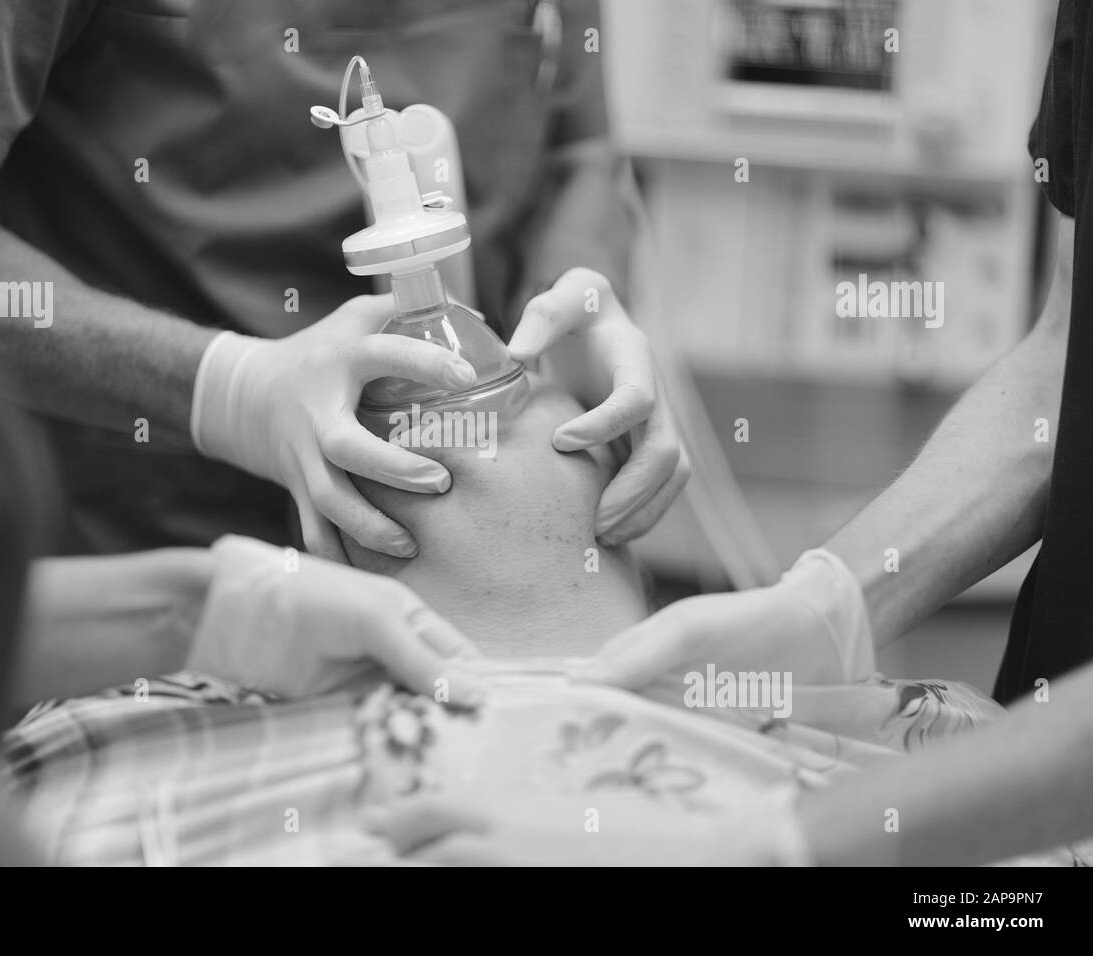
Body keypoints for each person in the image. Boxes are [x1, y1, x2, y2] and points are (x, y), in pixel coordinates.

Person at [365, 1, 1093, 865]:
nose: (505, 394)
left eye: (512, 397)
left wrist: (783, 844)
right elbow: (1069, 363)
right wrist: (824, 606)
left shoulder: (908, 765)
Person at [0, 6, 483, 863]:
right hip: (117, 548)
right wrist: (227, 387)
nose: (490, 401)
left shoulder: (685, 674)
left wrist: (199, 608)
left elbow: (579, 146)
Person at [0, 0, 687, 563]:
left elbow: (580, 147)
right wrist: (228, 389)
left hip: (470, 540)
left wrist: (572, 313)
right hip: (139, 552)